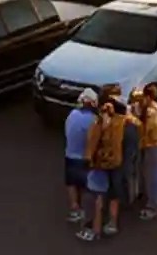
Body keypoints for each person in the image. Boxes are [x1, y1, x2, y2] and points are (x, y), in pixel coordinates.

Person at [78, 99, 127, 241]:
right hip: (115, 164)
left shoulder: (98, 124)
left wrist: (90, 160)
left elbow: (92, 145)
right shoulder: (122, 123)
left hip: (100, 166)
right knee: (112, 196)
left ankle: (94, 230)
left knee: (95, 198)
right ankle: (111, 223)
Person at [64, 88, 99, 224]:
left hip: (70, 154)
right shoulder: (93, 120)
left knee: (71, 183)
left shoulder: (72, 115)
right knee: (87, 186)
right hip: (84, 157)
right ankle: (88, 212)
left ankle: (74, 209)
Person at [138, 84, 157, 221]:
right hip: (150, 146)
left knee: (154, 177)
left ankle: (154, 205)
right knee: (148, 174)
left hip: (155, 147)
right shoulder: (149, 109)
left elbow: (145, 130)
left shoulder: (154, 113)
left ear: (148, 97)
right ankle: (148, 197)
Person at [122, 89, 144, 209]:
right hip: (136, 139)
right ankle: (136, 192)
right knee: (136, 166)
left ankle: (130, 195)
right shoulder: (138, 110)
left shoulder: (126, 112)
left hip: (129, 138)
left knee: (128, 167)